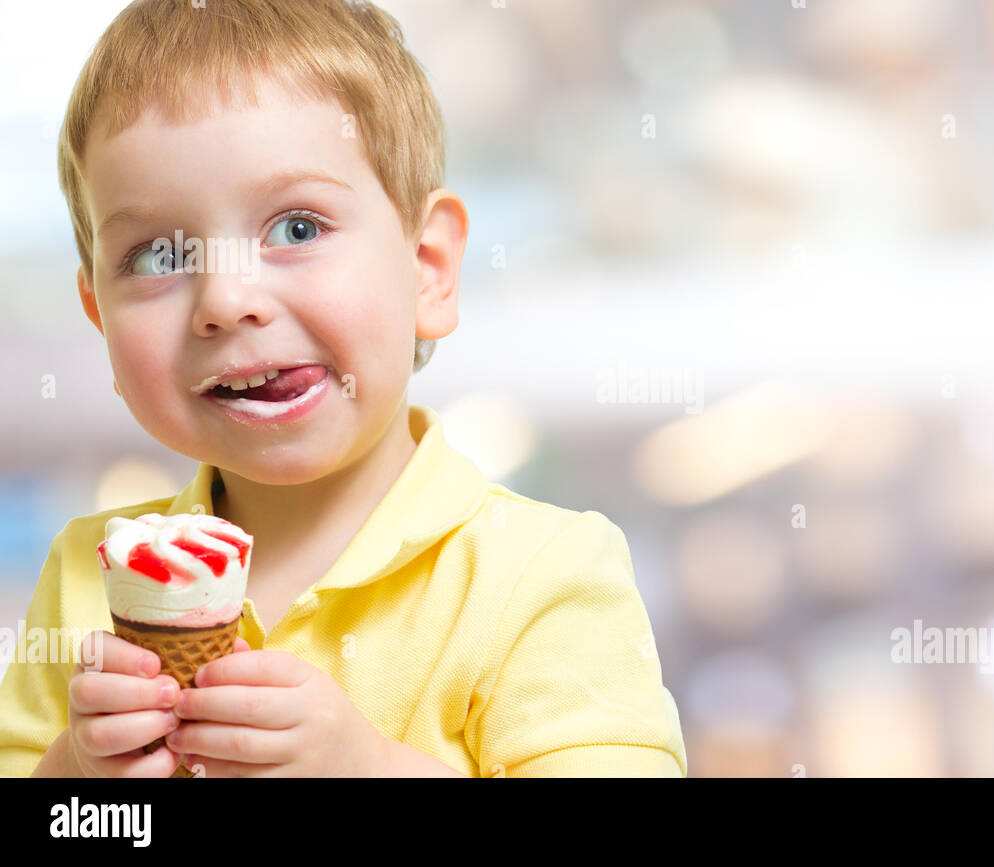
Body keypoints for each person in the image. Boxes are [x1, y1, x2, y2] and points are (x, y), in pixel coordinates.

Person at [0, 0, 686, 778]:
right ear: (98, 316)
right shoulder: (88, 575)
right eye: (159, 255)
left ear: (427, 268)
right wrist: (75, 777)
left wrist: (367, 769)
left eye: (296, 228)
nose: (226, 300)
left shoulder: (544, 572)